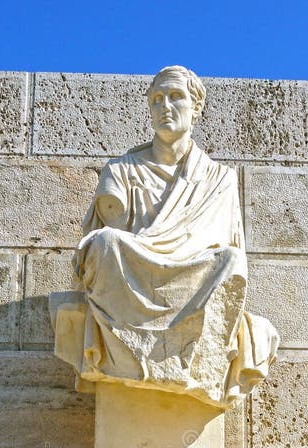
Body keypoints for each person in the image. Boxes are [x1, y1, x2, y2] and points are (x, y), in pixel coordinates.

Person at [51, 65, 278, 408]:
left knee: (231, 260)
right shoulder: (121, 169)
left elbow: (223, 243)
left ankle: (190, 358)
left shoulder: (219, 178)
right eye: (157, 99)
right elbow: (105, 233)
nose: (165, 107)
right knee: (106, 243)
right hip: (134, 269)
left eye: (175, 97)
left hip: (194, 271)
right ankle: (130, 351)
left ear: (196, 107)